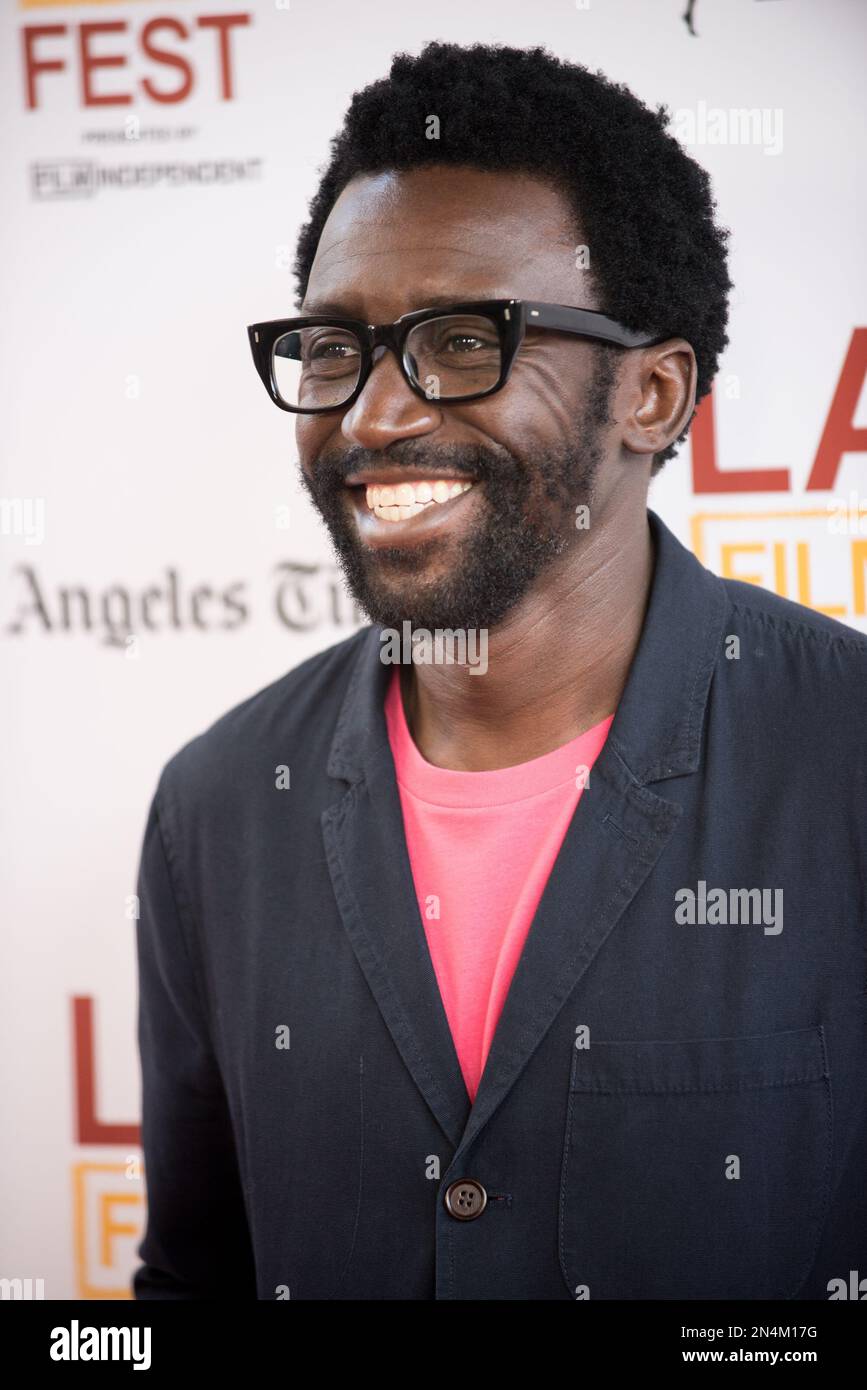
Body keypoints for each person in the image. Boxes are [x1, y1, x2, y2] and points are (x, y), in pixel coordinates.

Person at [133, 41, 866, 1300]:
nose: (372, 418)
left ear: (650, 392)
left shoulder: (844, 755)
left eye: (464, 341)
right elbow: (197, 1278)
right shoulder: (218, 806)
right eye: (331, 347)